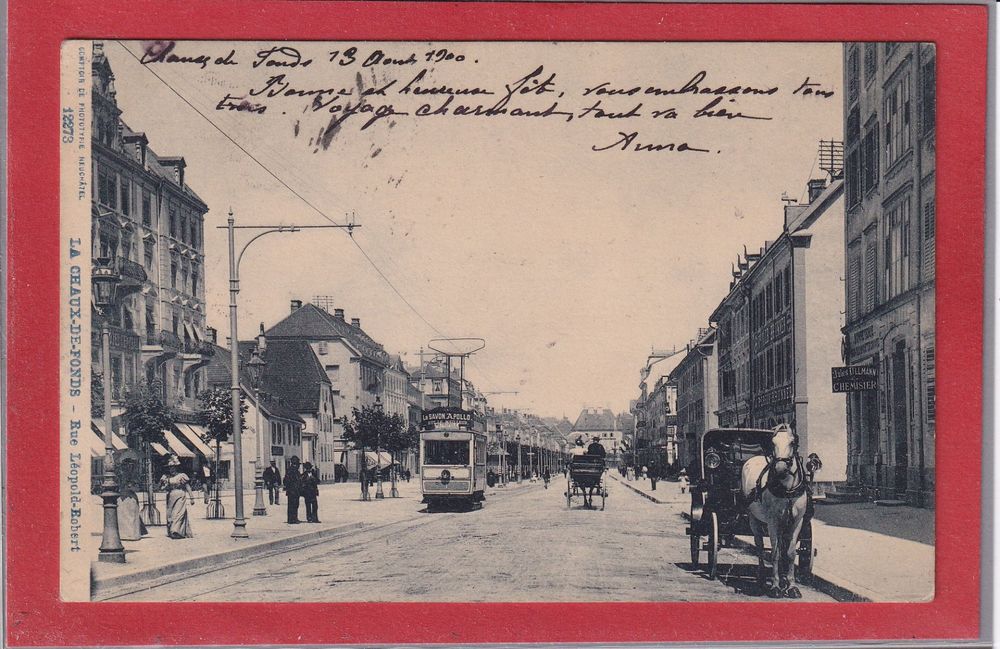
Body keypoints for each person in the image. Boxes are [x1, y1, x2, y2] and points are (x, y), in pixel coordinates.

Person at [159, 455, 195, 539]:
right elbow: (162, 488)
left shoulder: (182, 476)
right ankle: (172, 531)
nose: (171, 469)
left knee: (178, 513)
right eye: (170, 468)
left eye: (173, 467)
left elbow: (187, 486)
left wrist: (192, 497)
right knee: (170, 515)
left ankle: (176, 531)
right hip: (170, 496)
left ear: (177, 468)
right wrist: (161, 482)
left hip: (180, 495)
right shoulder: (167, 477)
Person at [283, 456, 302, 524]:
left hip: (294, 491)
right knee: (293, 505)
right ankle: (292, 519)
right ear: (295, 464)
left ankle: (293, 518)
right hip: (293, 491)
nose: (298, 466)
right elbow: (286, 480)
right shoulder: (291, 471)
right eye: (297, 464)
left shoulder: (293, 470)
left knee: (294, 505)